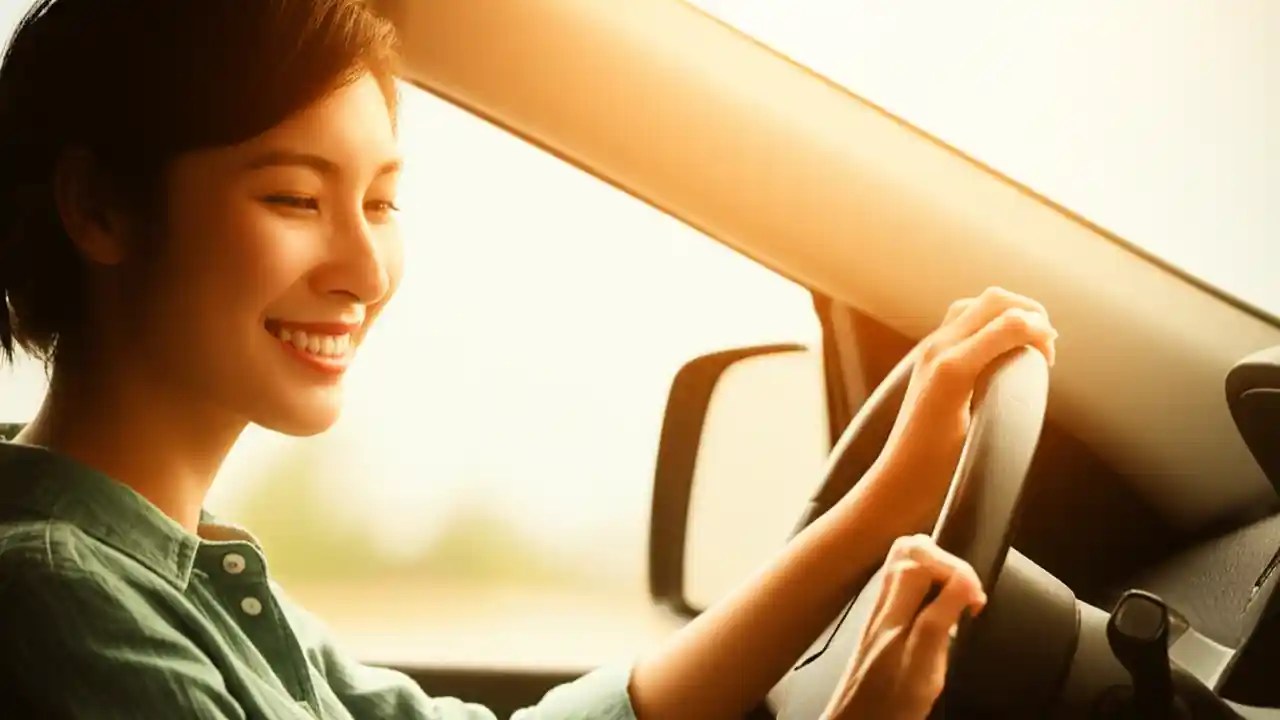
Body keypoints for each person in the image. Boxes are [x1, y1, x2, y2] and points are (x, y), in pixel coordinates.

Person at [0, 1, 1058, 718]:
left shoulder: (184, 571)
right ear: (99, 206)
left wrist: (868, 522)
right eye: (294, 198)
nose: (365, 269)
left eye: (380, 202)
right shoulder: (58, 603)